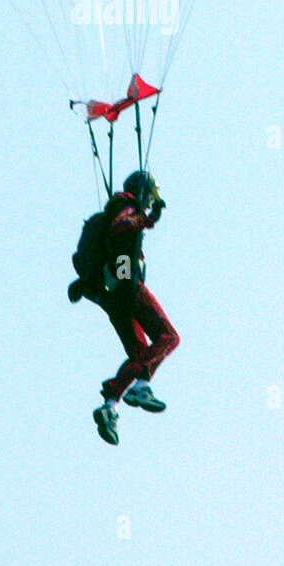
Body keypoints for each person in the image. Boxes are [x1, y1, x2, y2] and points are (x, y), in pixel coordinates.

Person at [68, 170, 180, 446]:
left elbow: (117, 242)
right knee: (169, 337)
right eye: (151, 195)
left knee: (139, 354)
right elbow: (122, 226)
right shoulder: (128, 205)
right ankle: (140, 387)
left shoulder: (112, 213)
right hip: (125, 285)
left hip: (109, 292)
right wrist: (147, 219)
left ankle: (110, 406)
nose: (151, 201)